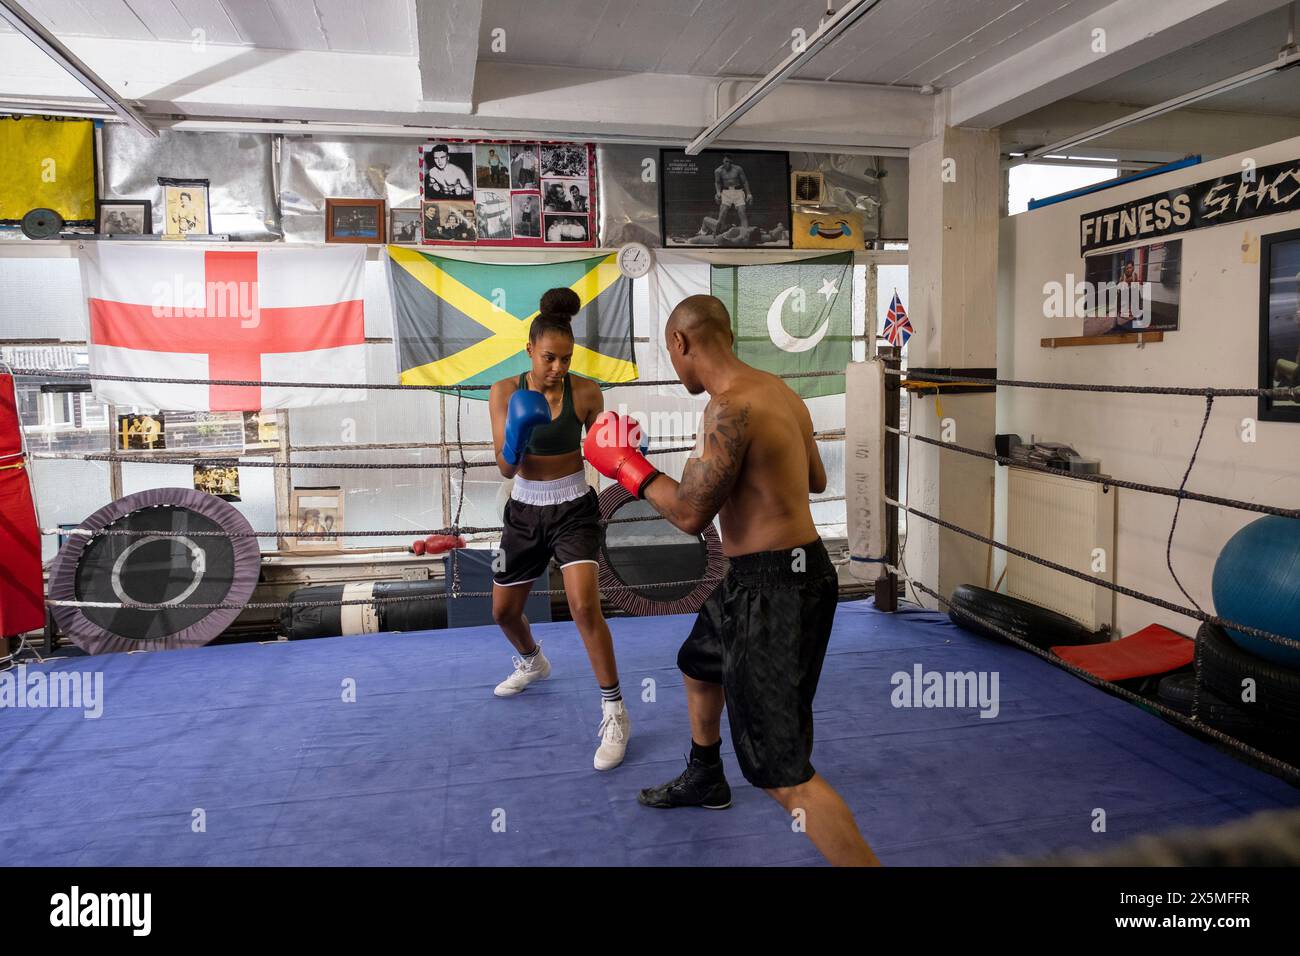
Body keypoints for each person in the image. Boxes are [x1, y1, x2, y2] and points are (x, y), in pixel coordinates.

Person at [583, 294, 881, 866]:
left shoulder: (729, 408)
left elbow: (691, 515)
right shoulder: (779, 392)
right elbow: (815, 478)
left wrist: (628, 466)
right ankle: (705, 775)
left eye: (669, 353)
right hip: (777, 572)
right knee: (699, 660)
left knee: (781, 773)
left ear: (681, 343)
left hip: (775, 590)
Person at [488, 288, 630, 771]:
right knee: (503, 612)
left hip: (574, 506)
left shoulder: (587, 393)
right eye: (549, 358)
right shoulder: (505, 392)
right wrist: (517, 435)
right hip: (525, 509)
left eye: (565, 358)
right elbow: (506, 469)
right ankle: (532, 659)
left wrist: (624, 449)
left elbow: (603, 451)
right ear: (529, 351)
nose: (557, 368)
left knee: (583, 605)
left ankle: (615, 710)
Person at [713, 156, 752, 234]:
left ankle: (746, 233)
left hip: (738, 191)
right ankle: (717, 233)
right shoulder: (718, 171)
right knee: (723, 211)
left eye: (728, 161)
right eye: (725, 161)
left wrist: (749, 194)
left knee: (742, 212)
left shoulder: (738, 169)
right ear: (722, 161)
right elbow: (717, 182)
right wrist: (718, 192)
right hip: (726, 192)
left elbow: (744, 181)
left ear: (731, 161)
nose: (726, 163)